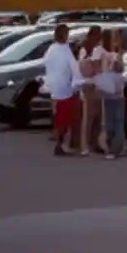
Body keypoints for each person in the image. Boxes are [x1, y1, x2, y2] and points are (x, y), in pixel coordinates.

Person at [43, 24, 81, 156]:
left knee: (58, 116)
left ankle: (59, 142)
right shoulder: (65, 50)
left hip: (54, 88)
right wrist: (78, 82)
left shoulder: (51, 49)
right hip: (65, 88)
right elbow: (73, 67)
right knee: (65, 118)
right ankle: (63, 144)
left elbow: (47, 64)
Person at [95, 29, 127, 160]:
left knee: (110, 120)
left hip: (108, 91)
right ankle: (116, 148)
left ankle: (111, 147)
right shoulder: (113, 55)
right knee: (118, 120)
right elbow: (121, 69)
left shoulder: (102, 54)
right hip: (117, 91)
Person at [75, 26, 104, 156]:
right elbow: (84, 66)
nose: (99, 37)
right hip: (88, 85)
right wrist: (95, 66)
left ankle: (95, 142)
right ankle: (86, 144)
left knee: (98, 115)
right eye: (98, 35)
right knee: (90, 116)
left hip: (97, 84)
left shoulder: (97, 47)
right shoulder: (85, 47)